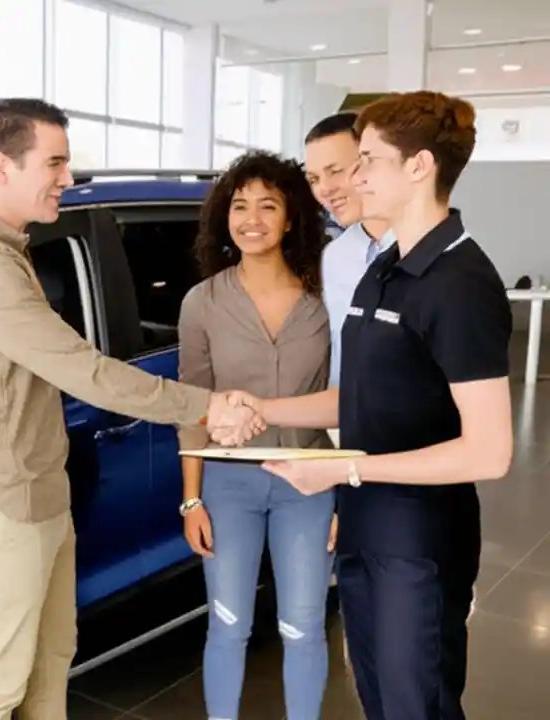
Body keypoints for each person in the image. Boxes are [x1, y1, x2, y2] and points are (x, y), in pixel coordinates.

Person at [0, 98, 264, 720]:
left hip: (37, 493)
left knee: (49, 663)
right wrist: (208, 407)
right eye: (55, 163)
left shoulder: (2, 244)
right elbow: (81, 369)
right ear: (1, 167)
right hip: (0, 508)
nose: (67, 180)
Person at [258, 91, 513, 720]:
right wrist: (263, 409)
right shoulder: (382, 269)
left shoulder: (460, 284)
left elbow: (490, 450)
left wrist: (343, 469)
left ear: (420, 167)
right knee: (377, 697)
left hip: (419, 540)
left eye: (367, 160)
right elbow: (362, 399)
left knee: (415, 703)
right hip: (367, 521)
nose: (353, 177)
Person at [177, 150, 333, 720]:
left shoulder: (326, 299)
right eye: (240, 206)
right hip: (227, 484)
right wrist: (191, 497)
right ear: (224, 217)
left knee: (303, 627)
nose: (252, 219)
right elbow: (191, 406)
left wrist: (347, 489)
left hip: (310, 483)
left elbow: (349, 401)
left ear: (291, 217)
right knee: (228, 624)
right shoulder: (203, 302)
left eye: (268, 206)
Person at [303, 112, 396, 396]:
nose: (324, 189)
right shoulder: (334, 257)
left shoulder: (428, 252)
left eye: (335, 171)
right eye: (314, 178)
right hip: (345, 427)